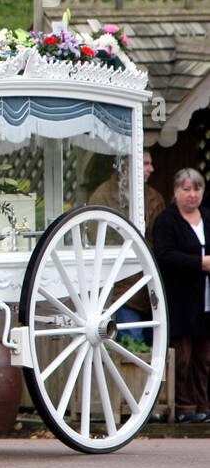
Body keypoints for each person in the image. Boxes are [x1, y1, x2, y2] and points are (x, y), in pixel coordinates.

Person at [88, 149, 166, 344]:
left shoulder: (154, 198)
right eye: (146, 164)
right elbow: (95, 237)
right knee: (133, 343)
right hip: (121, 285)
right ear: (126, 167)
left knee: (153, 342)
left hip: (149, 286)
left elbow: (160, 241)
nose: (151, 169)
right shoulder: (103, 196)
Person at [151, 168, 210, 423]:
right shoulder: (167, 220)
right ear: (175, 192)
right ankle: (185, 406)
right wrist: (200, 263)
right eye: (186, 189)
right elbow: (164, 255)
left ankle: (204, 404)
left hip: (206, 299)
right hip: (180, 300)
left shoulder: (208, 217)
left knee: (204, 357)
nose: (192, 195)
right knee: (182, 357)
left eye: (197, 189)